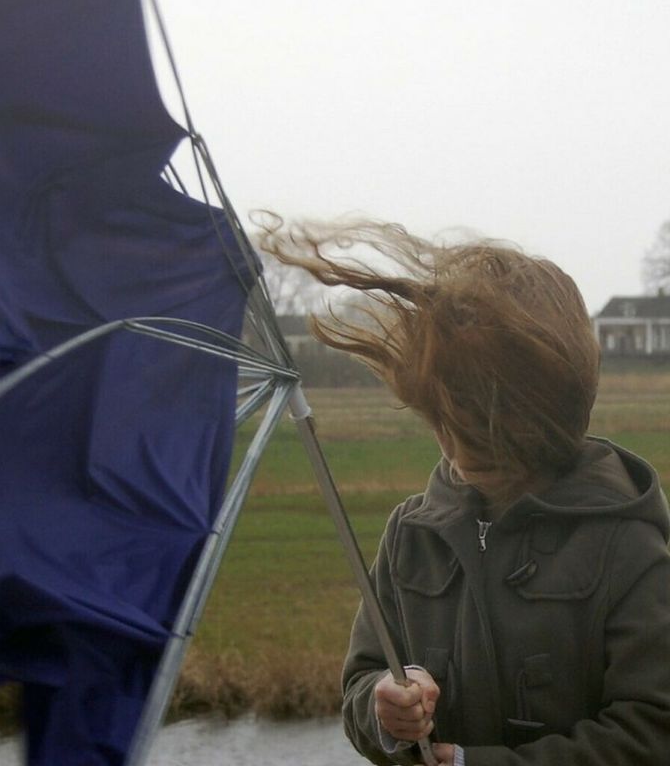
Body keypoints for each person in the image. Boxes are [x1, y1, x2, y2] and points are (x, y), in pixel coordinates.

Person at [261, 217, 670, 765]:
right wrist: (384, 711)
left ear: (539, 414)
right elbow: (360, 685)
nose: (453, 444)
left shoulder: (629, 545)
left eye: (476, 423)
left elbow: (649, 735)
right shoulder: (411, 535)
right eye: (443, 415)